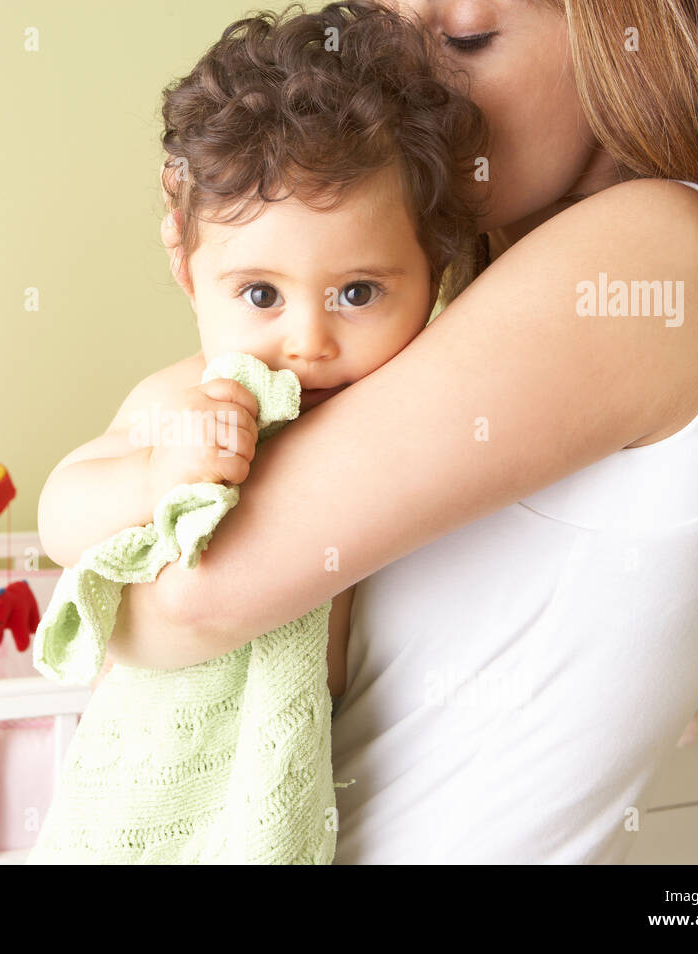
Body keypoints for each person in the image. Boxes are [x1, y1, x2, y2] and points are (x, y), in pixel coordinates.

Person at [46, 0, 698, 863]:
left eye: (462, 39)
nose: (403, 82)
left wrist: (117, 561)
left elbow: (198, 597)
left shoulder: (650, 254)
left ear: (630, 41)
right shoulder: (453, 331)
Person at [32, 3, 487, 861]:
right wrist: (156, 474)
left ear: (435, 272)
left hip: (343, 779)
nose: (309, 342)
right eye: (261, 295)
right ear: (185, 266)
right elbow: (62, 516)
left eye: (358, 293)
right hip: (167, 789)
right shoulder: (192, 398)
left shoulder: (416, 410)